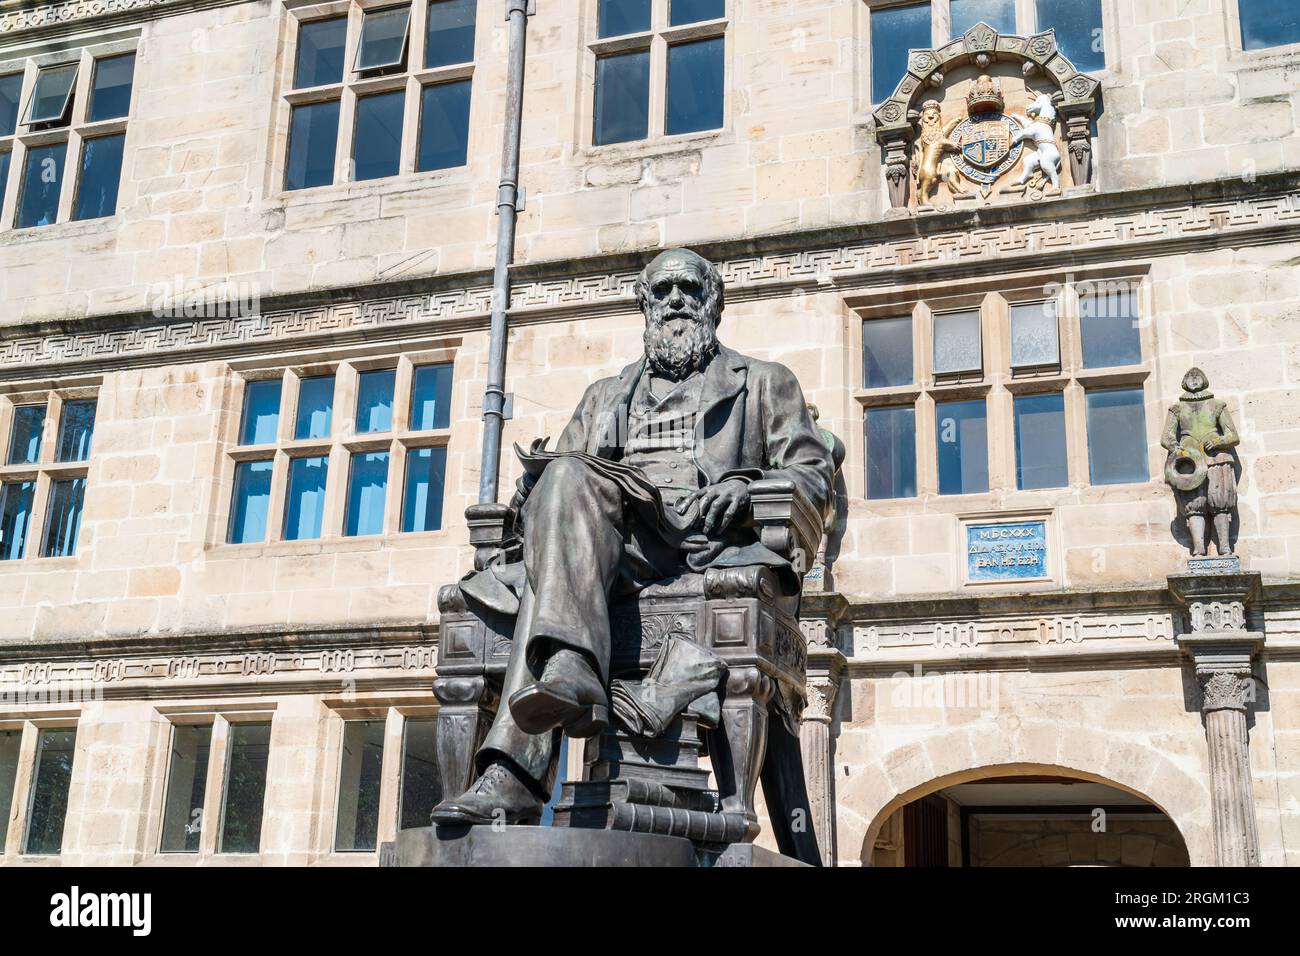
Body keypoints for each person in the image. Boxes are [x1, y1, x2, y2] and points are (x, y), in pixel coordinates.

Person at [431, 248, 835, 825]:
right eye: (663, 291)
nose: (676, 300)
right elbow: (555, 484)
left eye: (689, 290)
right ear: (645, 306)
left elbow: (813, 479)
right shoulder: (604, 395)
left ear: (713, 303)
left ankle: (520, 765)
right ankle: (546, 708)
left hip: (695, 541)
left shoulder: (765, 383)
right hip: (606, 546)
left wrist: (746, 490)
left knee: (568, 490)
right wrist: (531, 489)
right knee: (565, 475)